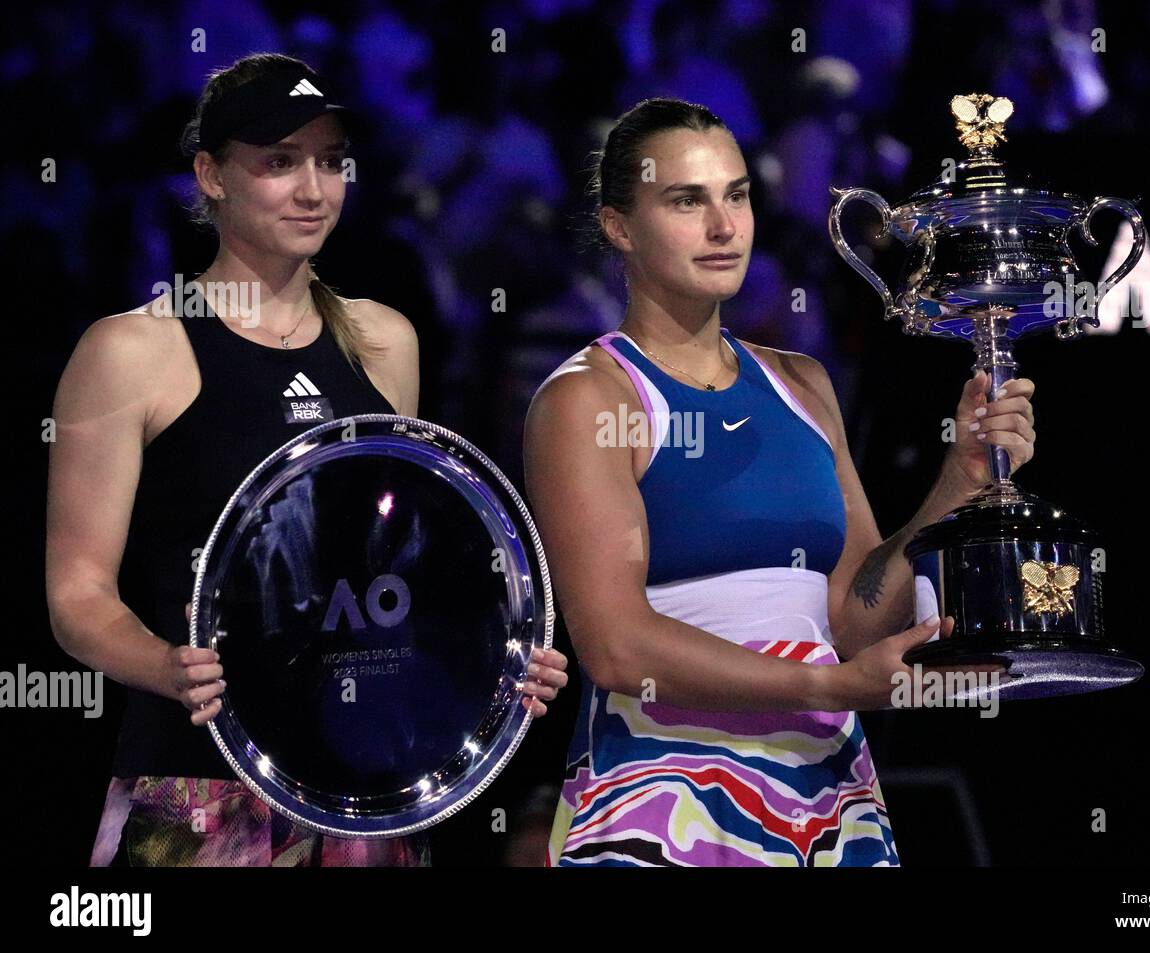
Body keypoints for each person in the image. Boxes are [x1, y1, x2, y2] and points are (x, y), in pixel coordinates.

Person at [45, 53, 567, 867]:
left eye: (330, 162)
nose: (314, 189)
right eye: (280, 163)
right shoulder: (129, 351)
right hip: (197, 793)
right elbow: (77, 596)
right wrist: (166, 667)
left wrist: (496, 662)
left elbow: (399, 572)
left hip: (364, 791)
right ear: (211, 174)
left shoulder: (386, 341)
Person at [523, 98, 1036, 866]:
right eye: (687, 201)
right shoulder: (589, 399)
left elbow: (854, 621)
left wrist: (956, 483)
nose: (724, 227)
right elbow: (617, 649)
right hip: (666, 800)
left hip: (826, 800)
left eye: (736, 195)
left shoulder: (803, 384)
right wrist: (827, 688)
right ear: (618, 227)